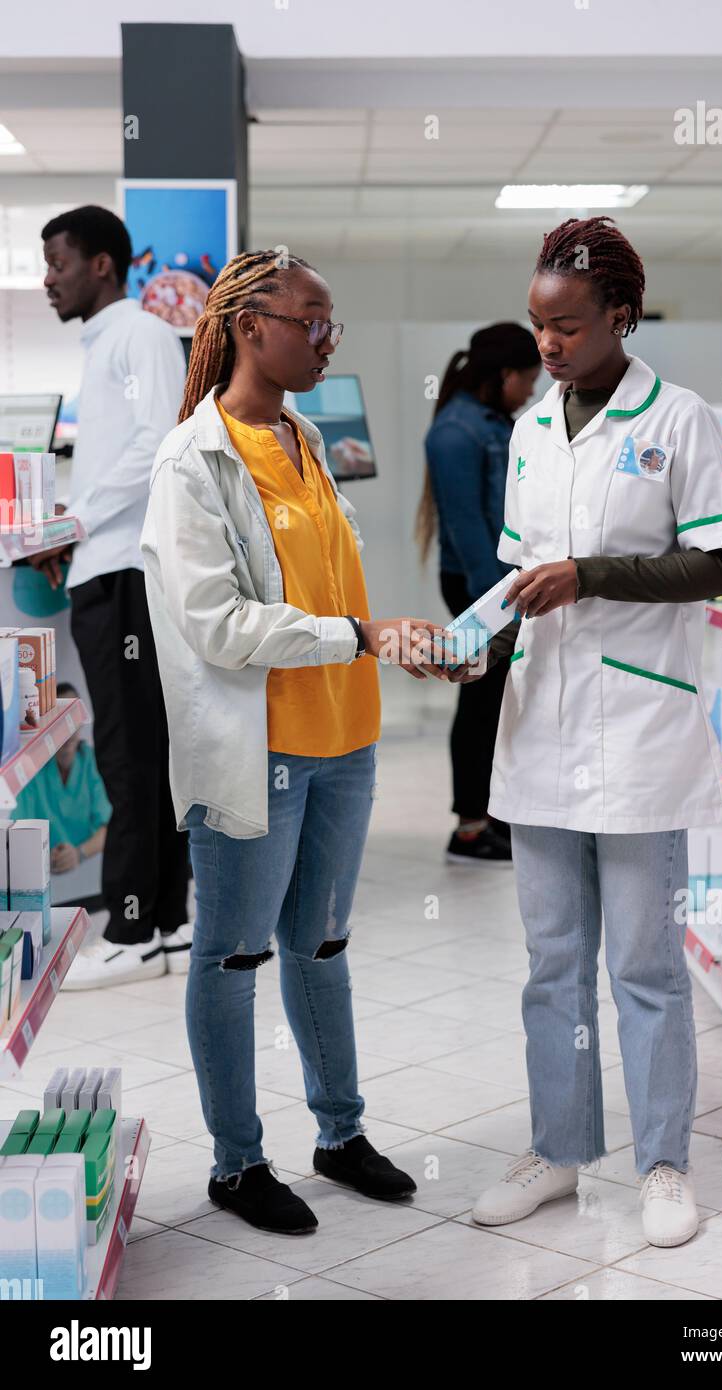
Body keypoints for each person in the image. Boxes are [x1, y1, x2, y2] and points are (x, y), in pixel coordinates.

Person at [140, 249, 450, 1235]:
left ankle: (338, 1133)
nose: (325, 339)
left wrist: (397, 642)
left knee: (318, 944)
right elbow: (222, 625)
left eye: (333, 325)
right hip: (256, 752)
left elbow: (321, 591)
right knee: (233, 959)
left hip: (345, 740)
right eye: (310, 320)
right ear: (247, 324)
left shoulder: (304, 436)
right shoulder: (192, 461)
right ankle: (236, 1163)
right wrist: (365, 636)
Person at [464, 217, 722, 1247]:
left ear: (620, 317)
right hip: (540, 723)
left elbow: (720, 564)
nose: (549, 345)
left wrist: (591, 575)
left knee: (642, 962)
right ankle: (558, 1146)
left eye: (569, 327)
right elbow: (515, 568)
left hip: (638, 728)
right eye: (539, 327)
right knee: (550, 961)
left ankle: (665, 1161)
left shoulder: (679, 420)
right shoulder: (531, 430)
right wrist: (474, 636)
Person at [38, 206, 192, 988]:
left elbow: (158, 438)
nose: (47, 279)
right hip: (107, 567)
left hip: (127, 571)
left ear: (102, 264)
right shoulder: (110, 344)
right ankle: (168, 921)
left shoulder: (137, 335)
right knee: (143, 752)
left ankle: (133, 926)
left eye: (58, 262)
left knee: (131, 754)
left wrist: (78, 518)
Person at [417, 324, 540, 866]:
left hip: (503, 585)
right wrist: (495, 617)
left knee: (493, 701)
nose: (532, 391)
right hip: (479, 584)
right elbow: (468, 532)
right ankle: (469, 827)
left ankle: (490, 817)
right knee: (481, 698)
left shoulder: (495, 423)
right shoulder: (455, 433)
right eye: (528, 380)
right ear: (505, 375)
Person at [12, 682, 110, 875]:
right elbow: (17, 832)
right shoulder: (32, 767)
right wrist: (39, 858)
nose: (67, 729)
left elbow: (110, 827)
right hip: (40, 872)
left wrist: (79, 854)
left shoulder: (92, 761)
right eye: (58, 721)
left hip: (88, 874)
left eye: (72, 718)